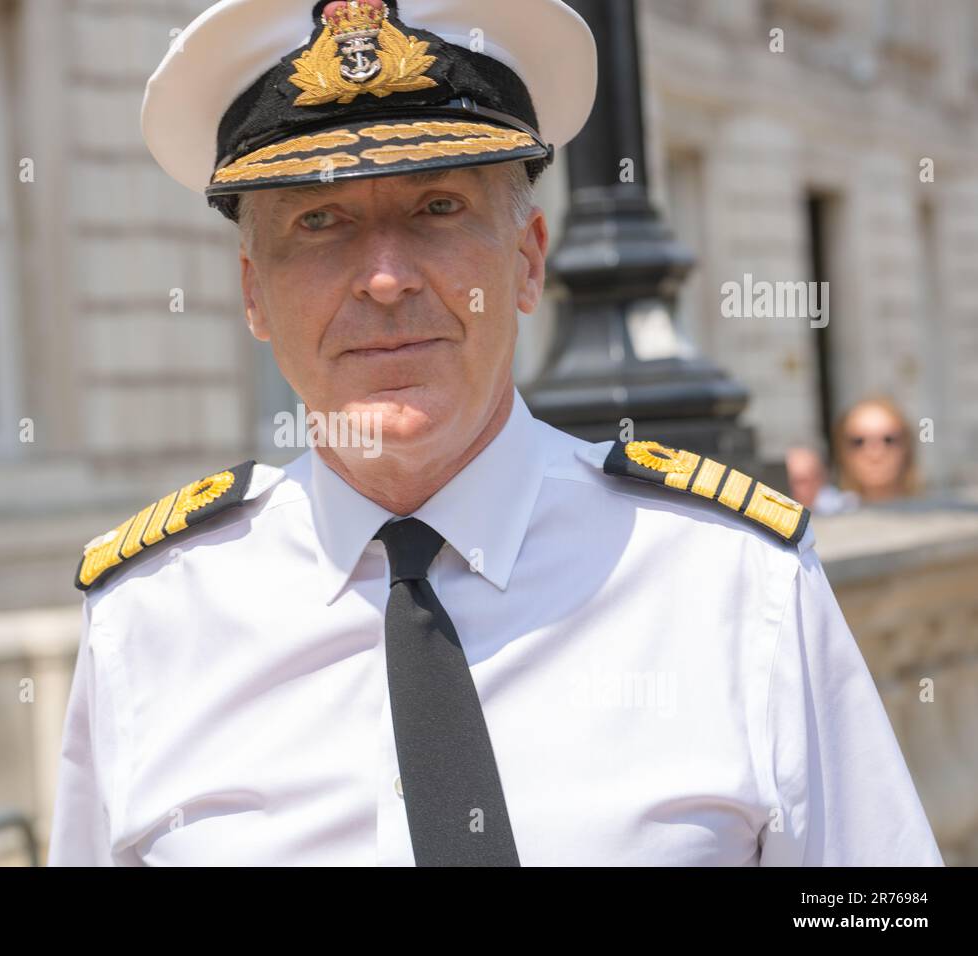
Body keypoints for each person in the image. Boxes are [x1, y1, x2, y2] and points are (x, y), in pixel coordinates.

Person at [48, 0, 943, 866]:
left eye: (438, 208)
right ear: (254, 293)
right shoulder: (149, 621)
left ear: (526, 258)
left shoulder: (733, 582)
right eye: (319, 221)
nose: (386, 279)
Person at [832, 396, 920, 504]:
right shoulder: (822, 515)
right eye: (858, 441)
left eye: (889, 440)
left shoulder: (935, 513)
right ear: (842, 450)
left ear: (907, 446)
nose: (875, 453)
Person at [785, 446, 858, 515]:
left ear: (819, 479)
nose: (793, 487)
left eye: (801, 481)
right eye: (790, 481)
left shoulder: (843, 506)